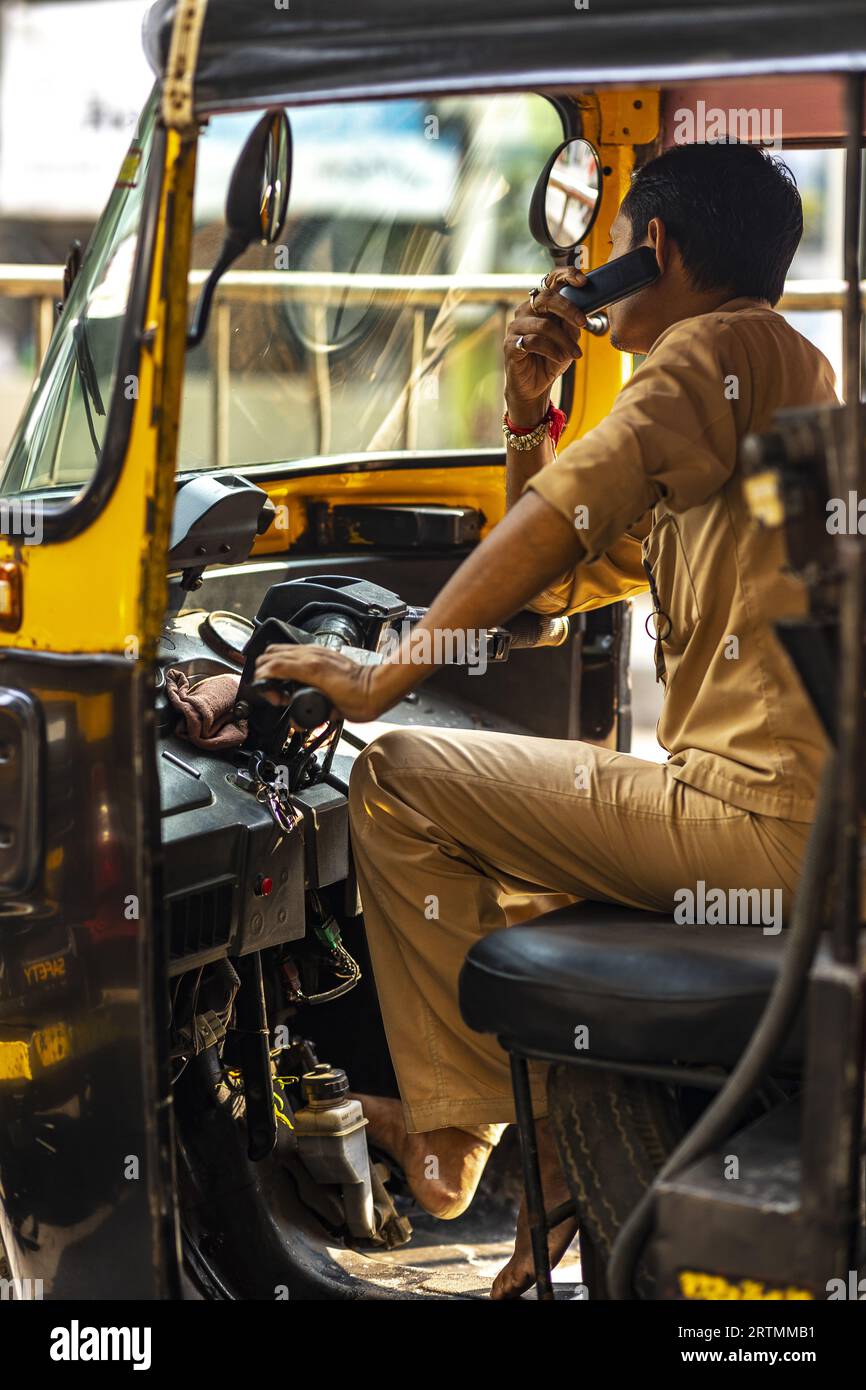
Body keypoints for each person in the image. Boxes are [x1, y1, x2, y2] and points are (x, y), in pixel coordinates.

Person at [255, 142, 838, 1297]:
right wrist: (531, 411)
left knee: (402, 778)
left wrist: (378, 679)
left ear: (652, 250)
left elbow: (560, 521)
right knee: (505, 856)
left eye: (614, 244)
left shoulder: (706, 352)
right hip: (801, 834)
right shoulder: (776, 369)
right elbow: (569, 571)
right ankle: (545, 1148)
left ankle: (452, 1146)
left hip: (758, 826)